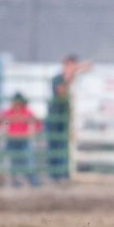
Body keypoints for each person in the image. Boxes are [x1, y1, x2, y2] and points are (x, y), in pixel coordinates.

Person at [46, 54, 90, 182]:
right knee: (55, 145)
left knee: (65, 145)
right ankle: (55, 174)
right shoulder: (57, 79)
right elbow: (61, 92)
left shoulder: (74, 79)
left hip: (65, 117)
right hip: (55, 116)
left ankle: (63, 173)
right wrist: (74, 72)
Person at [0, 92, 41, 187]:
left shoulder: (26, 112)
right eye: (16, 103)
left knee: (28, 162)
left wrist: (32, 132)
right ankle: (16, 184)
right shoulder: (8, 113)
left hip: (23, 140)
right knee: (14, 163)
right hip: (12, 140)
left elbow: (37, 123)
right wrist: (2, 131)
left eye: (19, 103)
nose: (17, 105)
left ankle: (34, 184)